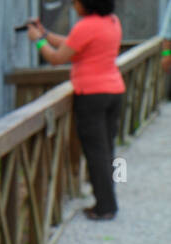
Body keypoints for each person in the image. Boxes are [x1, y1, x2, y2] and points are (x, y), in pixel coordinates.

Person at [29, 0, 124, 220]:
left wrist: (37, 41)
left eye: (75, 2)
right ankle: (108, 201)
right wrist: (45, 34)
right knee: (106, 149)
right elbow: (73, 44)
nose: (73, 5)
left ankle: (105, 207)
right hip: (114, 90)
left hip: (91, 95)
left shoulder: (85, 26)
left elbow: (57, 58)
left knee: (95, 152)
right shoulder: (112, 22)